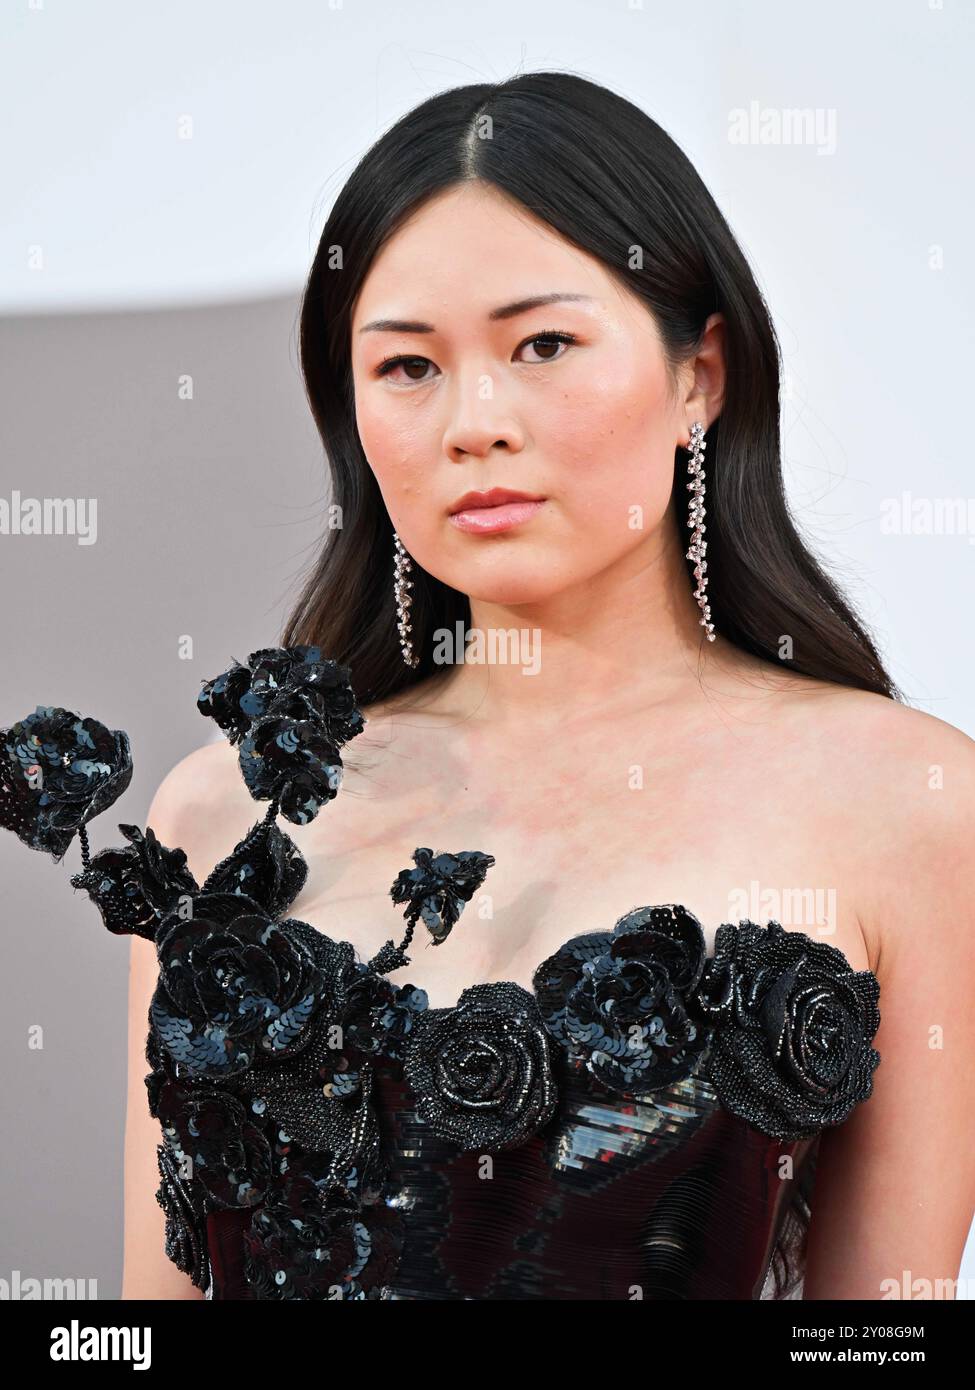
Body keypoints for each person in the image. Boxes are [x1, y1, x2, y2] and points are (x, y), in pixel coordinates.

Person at [11, 72, 970, 1301]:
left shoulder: (908, 799)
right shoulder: (219, 817)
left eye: (544, 344)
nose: (475, 422)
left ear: (701, 376)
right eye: (407, 368)